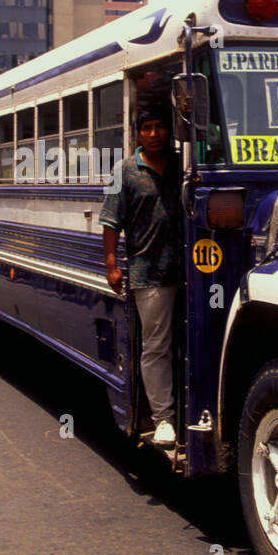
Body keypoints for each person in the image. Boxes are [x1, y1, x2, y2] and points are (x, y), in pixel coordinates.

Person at [100, 106, 182, 447]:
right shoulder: (125, 170)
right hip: (148, 273)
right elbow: (109, 222)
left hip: (191, 270)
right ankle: (163, 419)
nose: (154, 133)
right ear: (137, 135)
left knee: (185, 343)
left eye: (160, 126)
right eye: (147, 128)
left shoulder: (183, 165)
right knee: (156, 346)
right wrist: (111, 265)